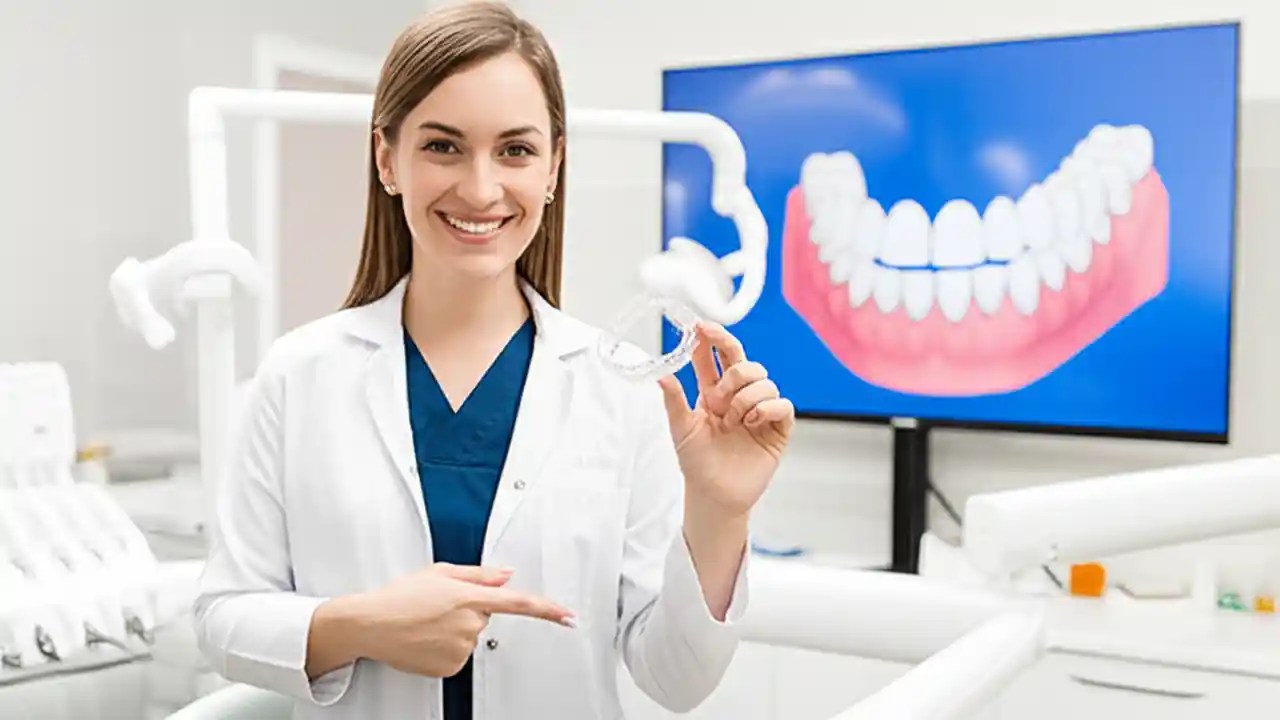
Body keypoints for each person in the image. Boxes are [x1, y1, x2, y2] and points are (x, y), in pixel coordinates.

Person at [192, 2, 795, 718]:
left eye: (515, 150)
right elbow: (224, 614)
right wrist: (364, 625)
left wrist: (720, 511)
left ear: (553, 166)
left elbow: (676, 677)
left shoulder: (622, 390)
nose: (480, 189)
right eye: (443, 146)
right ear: (387, 159)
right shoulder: (299, 374)